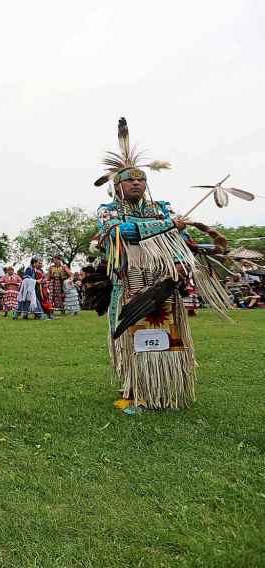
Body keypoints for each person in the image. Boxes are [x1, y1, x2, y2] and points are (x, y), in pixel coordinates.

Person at [92, 117, 230, 411]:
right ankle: (135, 390)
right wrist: (164, 227)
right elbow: (118, 233)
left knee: (165, 335)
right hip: (129, 285)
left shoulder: (162, 209)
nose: (137, 183)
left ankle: (165, 390)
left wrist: (181, 263)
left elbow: (181, 239)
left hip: (164, 285)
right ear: (117, 186)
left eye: (141, 179)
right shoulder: (108, 212)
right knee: (133, 338)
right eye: (130, 180)